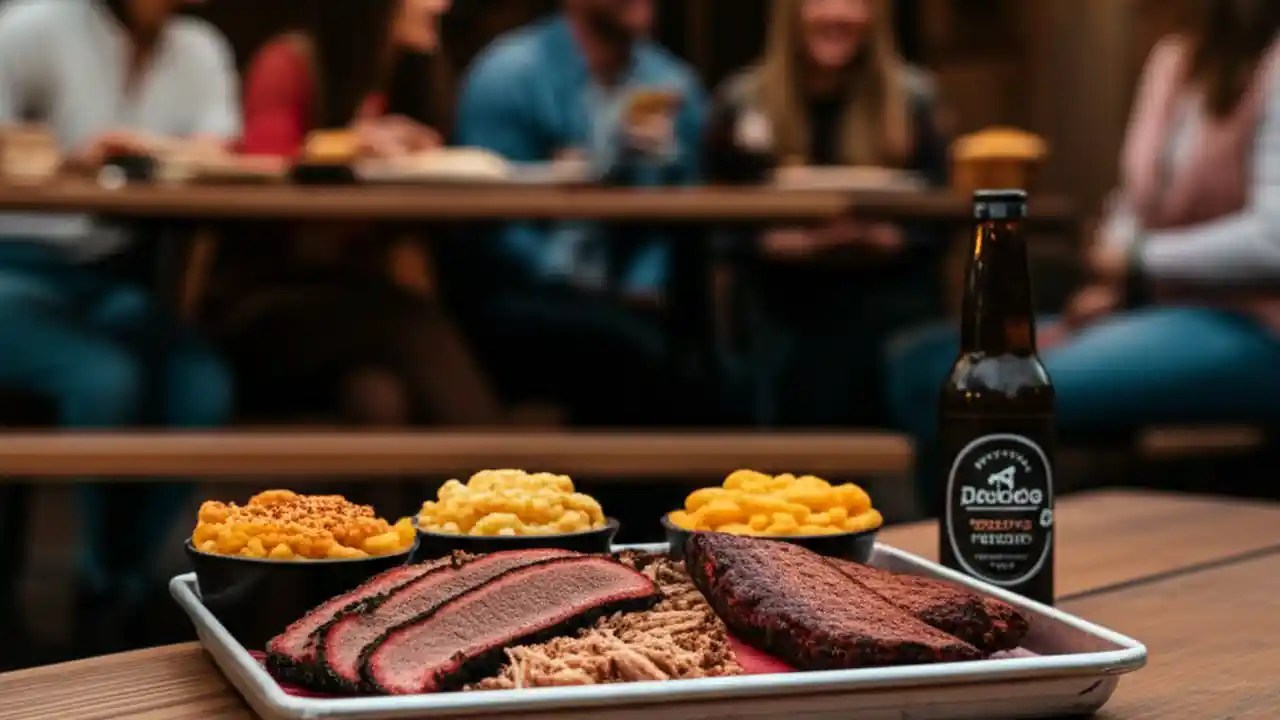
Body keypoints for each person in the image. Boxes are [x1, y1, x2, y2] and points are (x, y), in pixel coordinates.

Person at [886, 0, 1280, 507]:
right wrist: (1111, 280)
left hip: (1254, 328)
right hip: (1154, 307)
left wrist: (1137, 258)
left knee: (983, 382)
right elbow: (1133, 198)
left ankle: (1002, 551)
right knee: (920, 359)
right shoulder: (1176, 57)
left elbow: (1272, 239)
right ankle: (960, 555)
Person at [0, 0, 237, 642]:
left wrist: (161, 158)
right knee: (103, 376)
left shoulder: (199, 46)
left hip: (111, 270)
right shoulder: (33, 27)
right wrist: (66, 162)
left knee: (200, 384)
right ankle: (92, 580)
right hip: (14, 260)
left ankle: (124, 586)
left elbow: (219, 153)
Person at [225, 0, 503, 427]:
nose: (441, 5)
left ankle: (478, 487)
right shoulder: (291, 61)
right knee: (412, 324)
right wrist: (347, 145)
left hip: (363, 306)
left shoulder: (406, 73)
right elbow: (264, 165)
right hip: (270, 305)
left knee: (378, 398)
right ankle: (502, 486)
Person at [450, 0, 712, 426]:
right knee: (634, 350)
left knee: (715, 348)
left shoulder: (671, 82)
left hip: (641, 294)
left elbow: (688, 213)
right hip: (526, 291)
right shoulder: (508, 75)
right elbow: (489, 228)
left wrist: (645, 281)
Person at [706, 0, 948, 426]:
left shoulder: (913, 100)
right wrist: (776, 243)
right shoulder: (742, 102)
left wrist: (886, 239)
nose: (837, 14)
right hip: (780, 295)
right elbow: (716, 221)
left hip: (885, 293)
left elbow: (939, 221)